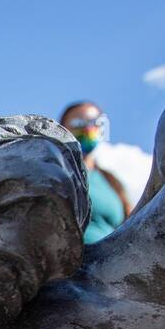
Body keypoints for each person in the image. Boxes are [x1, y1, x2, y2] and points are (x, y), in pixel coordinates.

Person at [59, 101, 133, 243]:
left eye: (95, 122)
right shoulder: (56, 174)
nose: (88, 128)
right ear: (62, 130)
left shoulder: (111, 180)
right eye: (79, 123)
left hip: (115, 261)